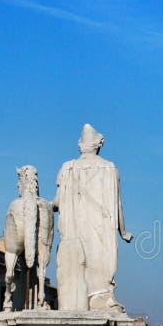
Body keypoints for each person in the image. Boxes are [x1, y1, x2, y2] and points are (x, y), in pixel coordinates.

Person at [53, 123, 133, 312]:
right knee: (99, 264)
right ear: (99, 145)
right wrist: (123, 231)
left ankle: (78, 300)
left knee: (78, 264)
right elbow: (118, 204)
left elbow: (56, 202)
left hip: (75, 228)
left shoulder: (67, 168)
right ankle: (100, 299)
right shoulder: (109, 168)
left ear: (81, 143)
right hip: (101, 229)